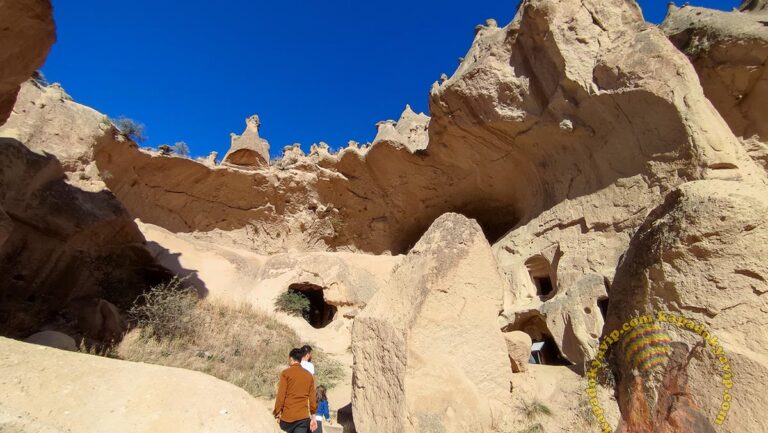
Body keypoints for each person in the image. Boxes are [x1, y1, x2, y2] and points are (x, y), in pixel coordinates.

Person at [273, 348, 318, 433]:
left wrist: (277, 412)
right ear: (301, 359)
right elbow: (312, 398)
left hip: (287, 418)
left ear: (291, 359)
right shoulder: (309, 376)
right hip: (303, 418)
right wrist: (313, 416)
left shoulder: (286, 373)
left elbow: (281, 395)